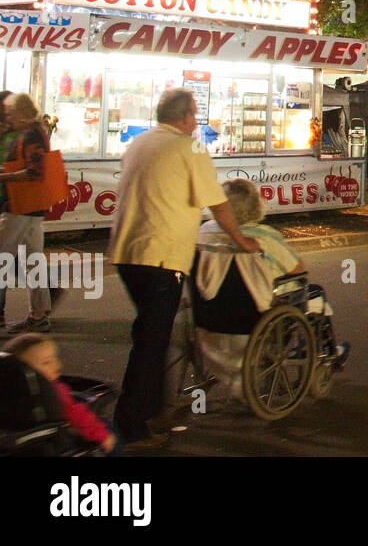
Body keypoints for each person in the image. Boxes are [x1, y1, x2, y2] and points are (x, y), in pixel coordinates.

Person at [108, 88, 260, 449]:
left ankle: (149, 408)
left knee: (148, 334)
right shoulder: (189, 148)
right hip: (161, 256)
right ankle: (133, 426)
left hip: (126, 251)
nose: (196, 123)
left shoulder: (140, 142)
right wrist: (241, 239)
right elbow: (219, 203)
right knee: (151, 342)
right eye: (195, 115)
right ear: (186, 117)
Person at [192, 179, 349, 398]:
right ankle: (328, 354)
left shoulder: (203, 233)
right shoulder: (264, 236)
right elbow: (298, 270)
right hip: (254, 314)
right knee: (315, 292)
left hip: (207, 314)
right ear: (255, 205)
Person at [0, 93, 57, 336]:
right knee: (33, 260)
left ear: (22, 114)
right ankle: (39, 314)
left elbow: (34, 170)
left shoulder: (32, 134)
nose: (8, 118)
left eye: (11, 114)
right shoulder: (37, 131)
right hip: (33, 208)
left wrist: (4, 176)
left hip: (20, 206)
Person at [7, 333, 116, 454]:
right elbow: (77, 416)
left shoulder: (10, 389)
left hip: (20, 439)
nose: (55, 364)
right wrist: (102, 435)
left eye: (54, 358)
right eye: (46, 362)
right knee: (107, 427)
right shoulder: (51, 391)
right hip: (54, 438)